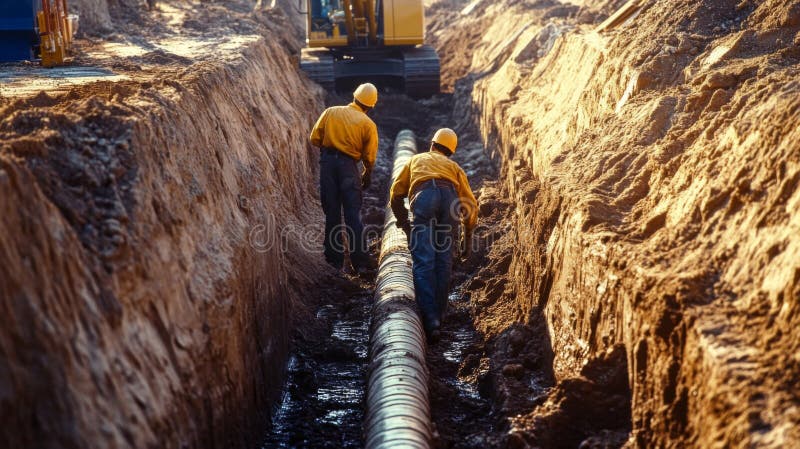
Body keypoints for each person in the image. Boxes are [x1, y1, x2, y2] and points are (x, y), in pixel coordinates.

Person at [389, 128, 477, 342]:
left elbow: (395, 193)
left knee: (423, 260)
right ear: (451, 152)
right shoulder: (454, 167)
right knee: (443, 261)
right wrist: (467, 235)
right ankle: (439, 316)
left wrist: (403, 221)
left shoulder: (416, 160)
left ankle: (430, 320)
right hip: (450, 201)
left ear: (432, 144)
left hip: (425, 197)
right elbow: (471, 204)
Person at [309, 83, 379, 273]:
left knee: (332, 213)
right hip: (349, 168)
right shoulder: (368, 124)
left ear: (354, 96)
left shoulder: (331, 112)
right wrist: (367, 173)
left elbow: (314, 138)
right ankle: (360, 263)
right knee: (352, 215)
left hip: (327, 165)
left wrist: (330, 148)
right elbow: (369, 156)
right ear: (371, 106)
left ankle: (334, 261)